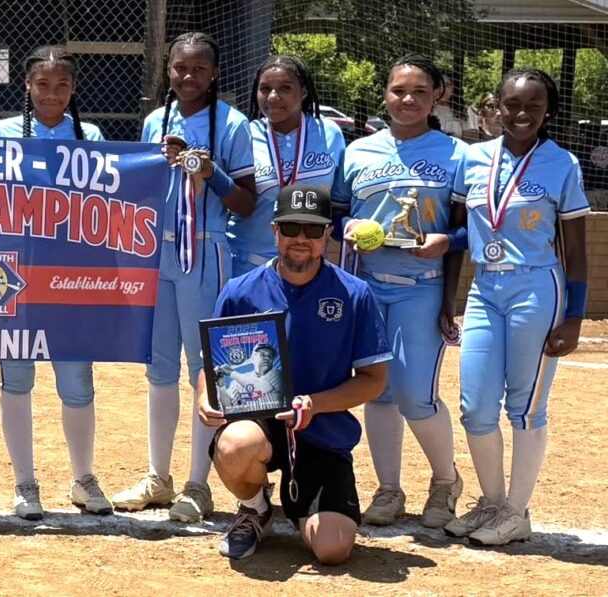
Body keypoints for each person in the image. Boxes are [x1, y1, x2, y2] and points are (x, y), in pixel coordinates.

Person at [204, 184, 392, 564]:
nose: (301, 239)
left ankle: (299, 504)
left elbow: (374, 379)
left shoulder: (354, 294)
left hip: (321, 431)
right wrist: (203, 397)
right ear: (275, 231)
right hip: (259, 424)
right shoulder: (240, 291)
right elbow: (212, 363)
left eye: (312, 229)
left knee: (332, 549)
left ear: (328, 234)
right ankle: (255, 508)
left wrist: (315, 404)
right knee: (236, 444)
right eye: (290, 228)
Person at [115, 32, 258, 523]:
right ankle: (159, 476)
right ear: (168, 69)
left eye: (199, 68)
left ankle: (199, 483)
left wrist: (209, 172)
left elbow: (247, 202)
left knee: (205, 370)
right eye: (180, 67)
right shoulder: (156, 120)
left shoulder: (233, 124)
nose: (188, 76)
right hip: (157, 251)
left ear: (215, 73)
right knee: (159, 369)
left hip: (205, 250)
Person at [445, 69, 588, 546]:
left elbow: (576, 249)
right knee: (475, 407)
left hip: (536, 288)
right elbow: (462, 233)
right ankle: (492, 502)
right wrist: (448, 294)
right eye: (512, 104)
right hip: (484, 289)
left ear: (548, 111)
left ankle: (516, 511)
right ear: (496, 106)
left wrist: (574, 316)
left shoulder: (562, 164)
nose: (521, 114)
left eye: (533, 106)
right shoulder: (472, 158)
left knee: (525, 408)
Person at [333, 53, 467, 529]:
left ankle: (446, 481)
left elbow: (468, 229)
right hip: (367, 287)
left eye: (420, 92)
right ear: (385, 94)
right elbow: (336, 213)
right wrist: (348, 227)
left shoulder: (456, 154)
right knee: (378, 390)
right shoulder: (357, 152)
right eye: (399, 90)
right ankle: (388, 488)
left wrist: (447, 242)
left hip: (421, 287)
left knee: (415, 395)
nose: (408, 99)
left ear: (436, 97)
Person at [0, 46, 108, 520]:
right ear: (27, 86)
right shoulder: (2, 133)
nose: (52, 93)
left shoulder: (90, 136)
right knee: (17, 378)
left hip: (72, 279)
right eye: (42, 84)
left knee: (76, 380)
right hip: (15, 276)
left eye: (62, 85)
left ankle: (83, 477)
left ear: (73, 89)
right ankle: (25, 483)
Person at [229, 54, 346, 276]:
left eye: (285, 88)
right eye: (265, 89)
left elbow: (338, 202)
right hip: (248, 264)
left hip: (307, 266)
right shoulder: (244, 135)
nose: (273, 97)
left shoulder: (329, 133)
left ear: (303, 92)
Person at [217, 344, 282, 409]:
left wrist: (231, 372)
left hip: (274, 415)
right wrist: (221, 386)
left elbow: (259, 388)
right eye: (263, 354)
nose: (267, 358)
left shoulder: (277, 374)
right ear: (253, 359)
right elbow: (228, 406)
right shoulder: (237, 382)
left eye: (270, 356)